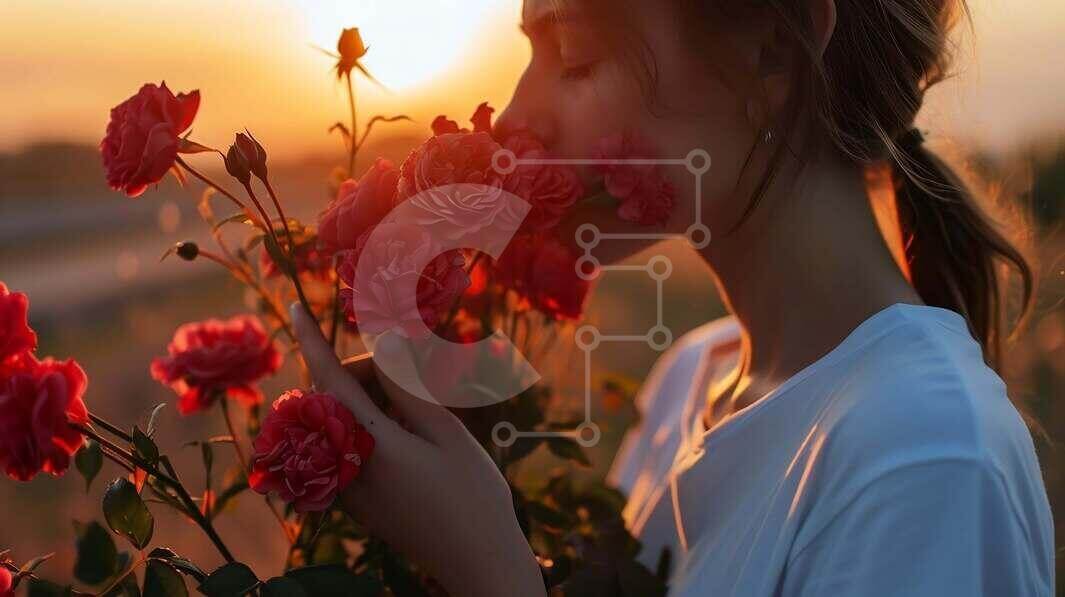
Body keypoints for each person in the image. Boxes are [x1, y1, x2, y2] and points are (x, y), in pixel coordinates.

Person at [290, 0, 1056, 594]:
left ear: (769, 51)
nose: (519, 117)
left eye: (577, 57)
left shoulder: (922, 456)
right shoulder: (691, 381)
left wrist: (491, 574)